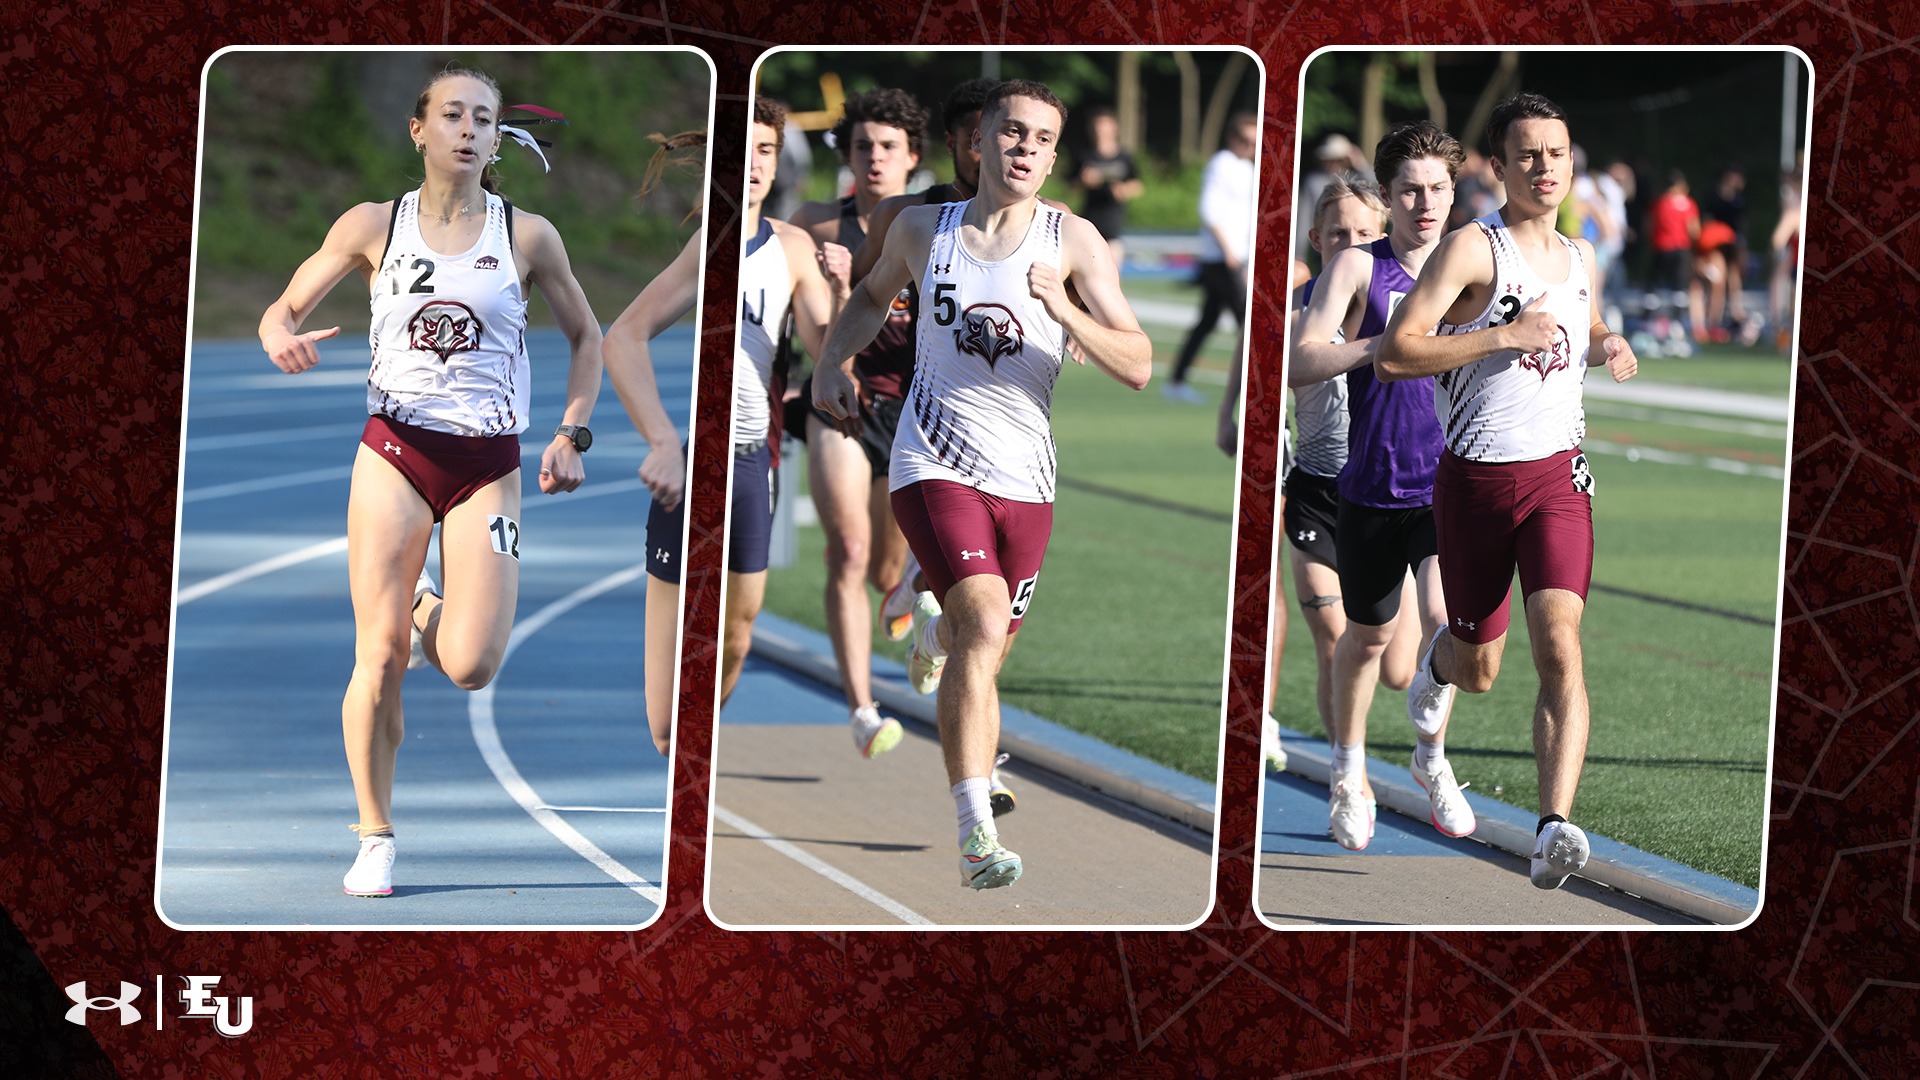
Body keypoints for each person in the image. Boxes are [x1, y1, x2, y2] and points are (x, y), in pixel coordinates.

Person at [258, 66, 604, 897]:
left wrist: (572, 432)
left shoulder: (529, 236)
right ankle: (374, 835)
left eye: (482, 119)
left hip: (488, 467)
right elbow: (283, 309)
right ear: (419, 130)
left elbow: (588, 336)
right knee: (374, 656)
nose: (467, 129)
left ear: (496, 139)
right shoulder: (374, 225)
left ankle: (421, 603)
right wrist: (279, 336)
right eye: (451, 114)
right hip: (394, 455)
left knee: (472, 663)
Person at [814, 80, 1151, 890]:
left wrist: (1067, 314)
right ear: (982, 142)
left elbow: (1138, 363)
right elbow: (867, 297)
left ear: (1053, 155)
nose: (1024, 148)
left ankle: (929, 639)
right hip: (933, 459)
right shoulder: (924, 230)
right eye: (1011, 132)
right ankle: (975, 833)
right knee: (986, 620)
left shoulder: (1075, 241)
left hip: (1027, 477)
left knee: (981, 648)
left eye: (1041, 138)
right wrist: (833, 358)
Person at [1376, 92, 1640, 891]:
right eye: (1527, 154)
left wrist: (1609, 339)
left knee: (1561, 642)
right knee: (1480, 668)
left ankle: (1553, 826)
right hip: (1474, 486)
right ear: (1499, 168)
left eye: (1556, 152)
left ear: (1571, 160)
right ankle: (1437, 664)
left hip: (1558, 479)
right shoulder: (1472, 251)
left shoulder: (1582, 255)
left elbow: (1578, 321)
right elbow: (1395, 353)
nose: (1545, 167)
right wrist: (1500, 334)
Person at [1287, 120, 1473, 852]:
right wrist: (1387, 347)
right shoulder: (1358, 270)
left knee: (1446, 616)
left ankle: (1431, 757)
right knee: (1363, 645)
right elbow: (1301, 360)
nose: (1425, 204)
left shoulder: (1475, 266)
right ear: (1389, 196)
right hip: (1365, 488)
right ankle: (1347, 772)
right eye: (1410, 191)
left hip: (1446, 487)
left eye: (1437, 190)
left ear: (1454, 193)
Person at [785, 89, 929, 760]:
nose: (874, 158)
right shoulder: (814, 225)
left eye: (888, 147)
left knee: (886, 568)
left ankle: (902, 591)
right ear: (845, 155)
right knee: (846, 551)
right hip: (839, 402)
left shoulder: (937, 225)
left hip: (911, 411)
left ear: (913, 158)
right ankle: (863, 710)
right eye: (863, 146)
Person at [1271, 175, 1423, 776]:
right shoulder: (1300, 319)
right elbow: (1271, 382)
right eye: (1338, 233)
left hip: (1388, 494)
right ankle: (1349, 775)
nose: (1351, 242)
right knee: (1334, 639)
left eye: (1364, 232)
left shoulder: (1407, 308)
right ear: (1316, 239)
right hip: (1316, 492)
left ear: (1382, 235)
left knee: (1398, 670)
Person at [720, 99, 839, 706]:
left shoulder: (791, 249)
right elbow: (629, 336)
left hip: (751, 456)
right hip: (696, 454)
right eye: (744, 148)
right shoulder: (697, 237)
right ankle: (674, 749)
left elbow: (823, 345)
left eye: (766, 150)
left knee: (737, 635)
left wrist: (841, 289)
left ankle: (694, 742)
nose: (755, 163)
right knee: (685, 622)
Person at [1167, 112, 1257, 404]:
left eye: (1255, 141)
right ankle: (1255, 385)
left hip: (1235, 256)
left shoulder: (1248, 168)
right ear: (1232, 137)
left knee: (1208, 320)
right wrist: (1229, 251)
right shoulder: (1221, 165)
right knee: (1249, 321)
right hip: (1223, 257)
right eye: (1245, 140)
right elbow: (1210, 211)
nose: (1250, 146)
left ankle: (1177, 379)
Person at [1074, 105, 1143, 267]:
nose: (1101, 130)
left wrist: (1124, 190)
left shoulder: (1124, 157)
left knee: (1112, 273)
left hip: (1113, 224)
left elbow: (1137, 185)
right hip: (1088, 223)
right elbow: (1071, 186)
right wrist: (1083, 182)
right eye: (1097, 126)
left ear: (1114, 128)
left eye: (1105, 126)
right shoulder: (1084, 156)